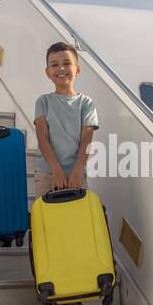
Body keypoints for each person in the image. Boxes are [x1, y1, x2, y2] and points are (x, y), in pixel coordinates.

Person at [33, 41, 98, 197]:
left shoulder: (86, 103)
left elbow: (86, 141)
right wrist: (56, 170)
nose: (61, 68)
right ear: (47, 72)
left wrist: (77, 172)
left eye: (67, 63)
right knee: (46, 219)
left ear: (77, 70)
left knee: (77, 220)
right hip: (47, 174)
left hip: (76, 174)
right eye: (54, 65)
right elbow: (43, 139)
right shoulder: (42, 102)